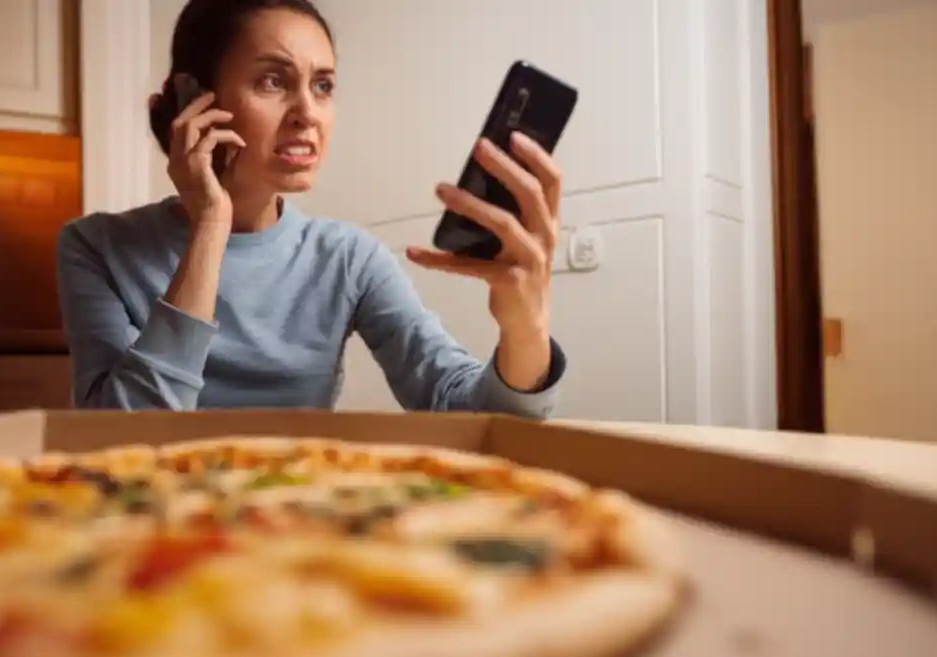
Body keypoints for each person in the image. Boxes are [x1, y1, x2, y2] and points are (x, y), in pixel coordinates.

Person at [55, 0, 568, 418]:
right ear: (195, 99)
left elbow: (469, 412)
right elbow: (118, 436)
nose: (308, 114)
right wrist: (211, 225)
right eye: (273, 81)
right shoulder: (95, 246)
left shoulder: (349, 258)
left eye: (323, 86)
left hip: (303, 505)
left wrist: (526, 328)